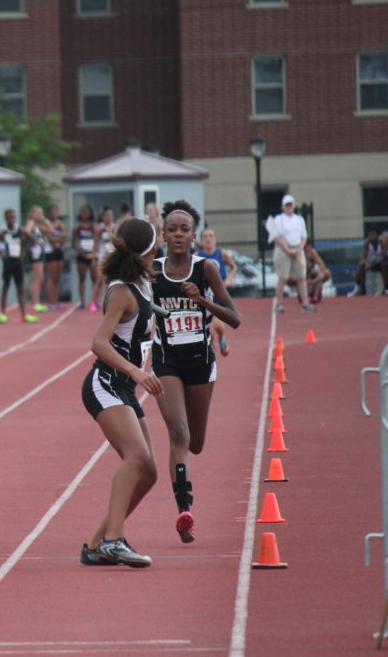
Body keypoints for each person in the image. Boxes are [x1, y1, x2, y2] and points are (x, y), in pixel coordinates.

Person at [152, 201, 240, 545]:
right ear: (163, 235)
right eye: (172, 229)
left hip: (200, 362)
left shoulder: (206, 269)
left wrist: (202, 300)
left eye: (184, 230)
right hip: (166, 361)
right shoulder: (153, 271)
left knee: (196, 443)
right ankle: (184, 512)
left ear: (193, 236)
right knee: (178, 433)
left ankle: (184, 499)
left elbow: (234, 318)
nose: (178, 234)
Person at [79, 217, 163, 568]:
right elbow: (99, 343)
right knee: (136, 457)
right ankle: (114, 541)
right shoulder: (121, 292)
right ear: (150, 248)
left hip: (124, 388)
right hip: (106, 383)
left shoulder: (142, 282)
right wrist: (136, 371)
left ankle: (97, 544)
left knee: (149, 472)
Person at [0, 208, 37, 323]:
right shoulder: (1, 233)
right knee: (5, 287)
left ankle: (24, 314)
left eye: (13, 216)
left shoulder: (20, 230)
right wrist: (0, 254)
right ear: (5, 218)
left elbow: (33, 240)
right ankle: (3, 314)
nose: (12, 219)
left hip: (17, 261)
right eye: (9, 217)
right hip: (7, 262)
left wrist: (24, 252)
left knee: (20, 288)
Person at [196, 228, 238, 356]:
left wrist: (229, 279)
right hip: (204, 295)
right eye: (205, 236)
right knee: (206, 326)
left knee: (218, 325)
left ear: (215, 239)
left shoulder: (221, 253)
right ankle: (210, 342)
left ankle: (221, 337)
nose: (208, 239)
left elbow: (234, 267)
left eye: (211, 236)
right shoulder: (197, 255)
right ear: (201, 240)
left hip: (218, 295)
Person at [270, 195, 314, 314]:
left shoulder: (299, 219)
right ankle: (279, 304)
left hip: (297, 249)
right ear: (283, 207)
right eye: (287, 205)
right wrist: (287, 249)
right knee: (283, 278)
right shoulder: (279, 219)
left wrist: (300, 248)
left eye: (290, 205)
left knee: (301, 278)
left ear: (294, 206)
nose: (289, 207)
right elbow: (276, 236)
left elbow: (304, 236)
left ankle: (305, 303)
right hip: (283, 250)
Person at [71, 205, 99, 310]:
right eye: (82, 212)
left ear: (90, 214)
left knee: (94, 278)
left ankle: (94, 301)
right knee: (82, 278)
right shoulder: (77, 228)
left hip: (92, 255)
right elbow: (73, 243)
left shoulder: (94, 227)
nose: (84, 214)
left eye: (86, 212)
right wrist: (79, 251)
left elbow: (96, 242)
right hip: (81, 255)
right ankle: (82, 301)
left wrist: (94, 256)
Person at [90, 207, 117, 312]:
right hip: (102, 256)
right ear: (103, 217)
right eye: (108, 215)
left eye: (111, 215)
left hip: (111, 255)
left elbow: (116, 241)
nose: (110, 217)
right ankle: (94, 302)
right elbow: (96, 242)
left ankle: (108, 301)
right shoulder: (99, 228)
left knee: (110, 280)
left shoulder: (114, 227)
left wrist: (111, 233)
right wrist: (94, 257)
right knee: (99, 280)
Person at [23, 207, 49, 313]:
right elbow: (26, 231)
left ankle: (35, 301)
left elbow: (50, 230)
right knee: (38, 278)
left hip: (39, 251)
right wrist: (33, 240)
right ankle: (35, 302)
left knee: (39, 278)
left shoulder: (37, 224)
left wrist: (44, 220)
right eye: (39, 213)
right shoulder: (31, 222)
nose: (41, 215)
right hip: (35, 252)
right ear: (33, 214)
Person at [348, 227, 387, 296]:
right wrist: (366, 263)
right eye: (370, 235)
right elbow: (364, 258)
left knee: (384, 265)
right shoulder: (367, 243)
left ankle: (386, 288)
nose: (371, 237)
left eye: (373, 235)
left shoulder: (383, 242)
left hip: (385, 261)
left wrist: (371, 264)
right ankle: (360, 288)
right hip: (376, 262)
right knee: (361, 265)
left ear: (377, 236)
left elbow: (382, 257)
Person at [43, 204, 66, 310]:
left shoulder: (60, 224)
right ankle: (50, 301)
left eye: (56, 211)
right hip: (50, 252)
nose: (55, 213)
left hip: (59, 251)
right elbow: (50, 239)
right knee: (52, 278)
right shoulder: (47, 224)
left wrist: (58, 239)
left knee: (57, 278)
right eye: (52, 212)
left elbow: (64, 237)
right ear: (49, 213)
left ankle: (56, 301)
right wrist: (58, 239)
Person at [302, 237, 331, 303]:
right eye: (307, 246)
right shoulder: (300, 253)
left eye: (310, 246)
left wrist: (315, 269)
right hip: (304, 273)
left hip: (312, 272)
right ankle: (307, 295)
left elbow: (322, 265)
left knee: (324, 273)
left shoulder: (312, 252)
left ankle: (315, 296)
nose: (309, 248)